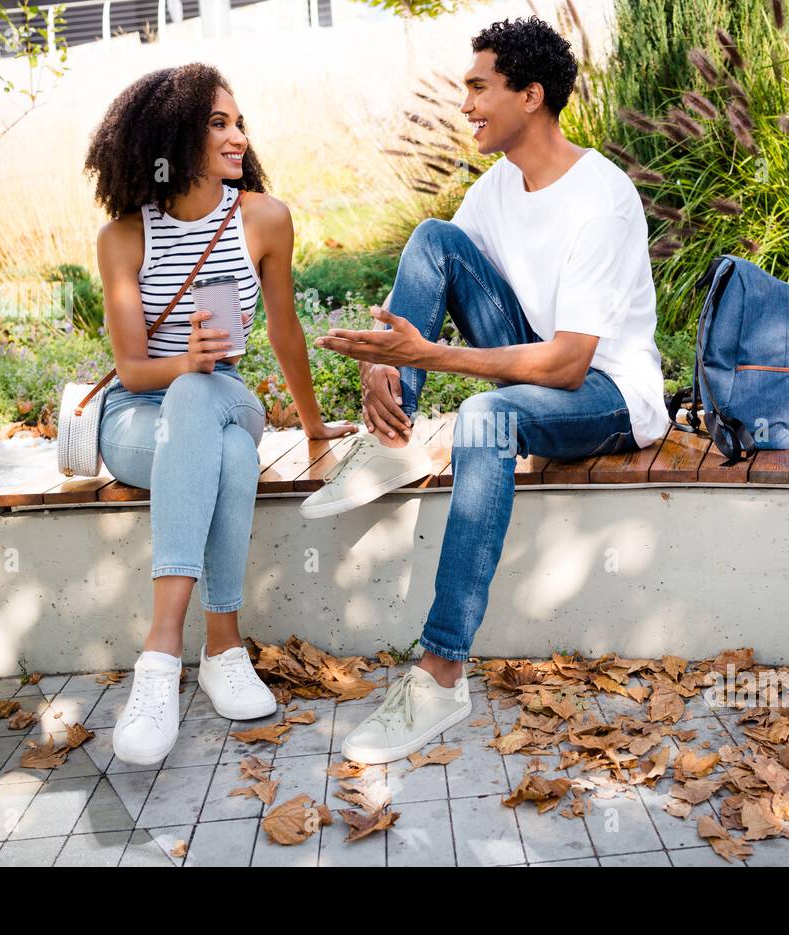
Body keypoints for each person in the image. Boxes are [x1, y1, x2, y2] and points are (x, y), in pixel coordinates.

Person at [311, 17, 671, 764]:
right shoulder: (499, 188)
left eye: (479, 87)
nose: (466, 104)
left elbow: (570, 365)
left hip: (608, 393)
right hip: (537, 362)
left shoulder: (599, 197)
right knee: (432, 238)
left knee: (484, 418)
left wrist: (431, 356)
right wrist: (388, 361)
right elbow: (431, 281)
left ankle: (440, 671)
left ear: (531, 96)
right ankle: (387, 439)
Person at [85, 63, 357, 766]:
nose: (238, 136)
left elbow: (284, 329)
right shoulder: (123, 238)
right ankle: (221, 648)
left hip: (226, 398)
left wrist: (315, 425)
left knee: (206, 404)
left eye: (239, 122)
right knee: (219, 443)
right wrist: (185, 364)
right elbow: (136, 367)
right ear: (173, 134)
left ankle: (159, 657)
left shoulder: (264, 218)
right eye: (218, 123)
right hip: (138, 419)